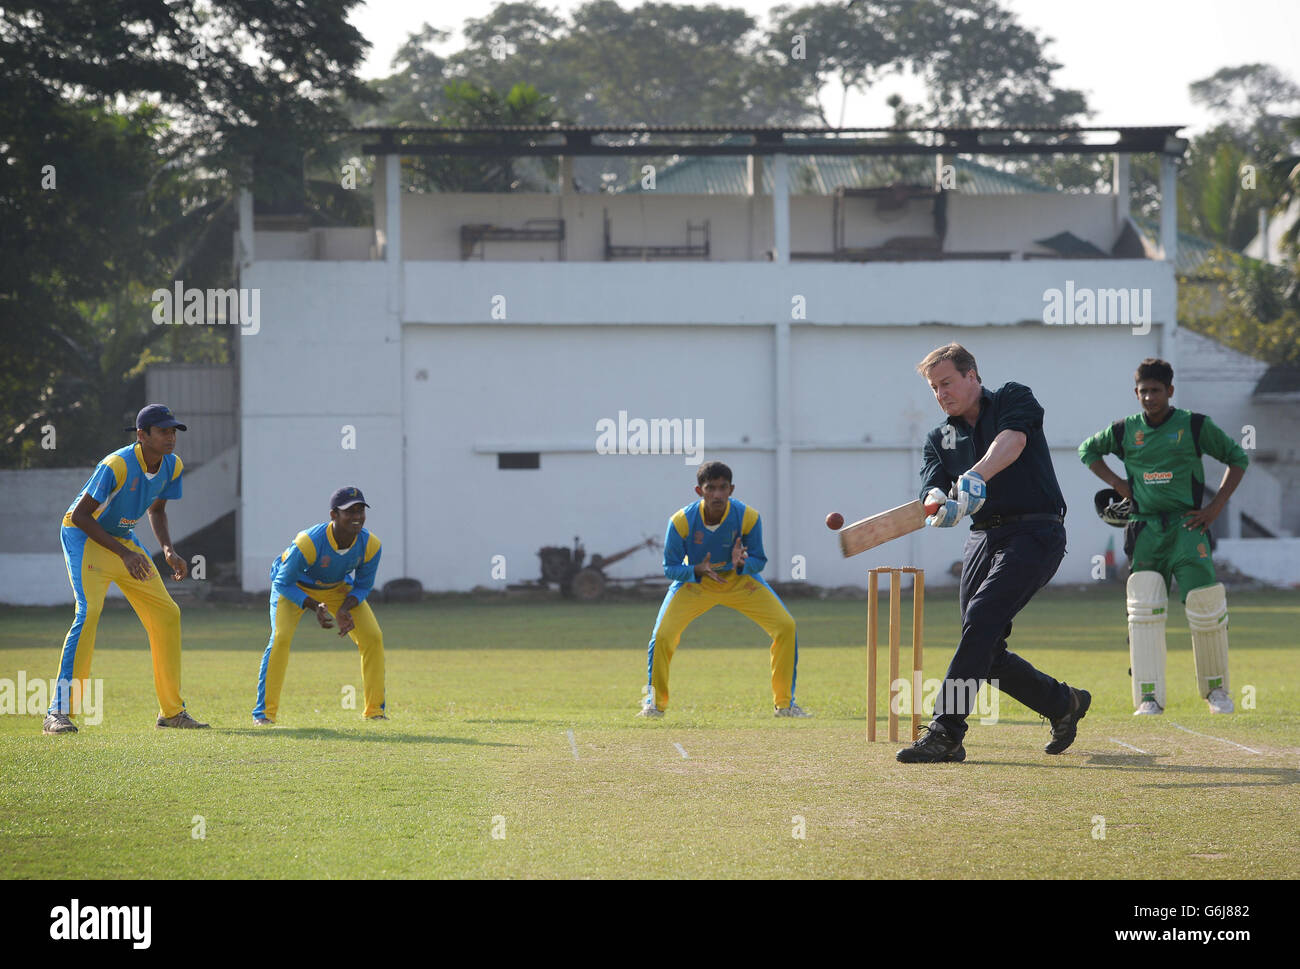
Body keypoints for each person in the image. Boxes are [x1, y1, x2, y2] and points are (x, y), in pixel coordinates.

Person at [900, 343, 1088, 763]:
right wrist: (936, 504)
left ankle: (946, 731)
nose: (941, 394)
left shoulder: (1012, 398)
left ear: (972, 376)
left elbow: (1013, 441)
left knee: (982, 620)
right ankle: (1063, 703)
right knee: (983, 642)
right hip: (983, 537)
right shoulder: (939, 437)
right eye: (934, 388)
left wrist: (975, 475)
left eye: (947, 383)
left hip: (1036, 530)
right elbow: (930, 485)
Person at [1080, 357, 1248, 715]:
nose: (1149, 398)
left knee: (1205, 607)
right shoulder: (1125, 430)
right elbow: (1087, 451)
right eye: (1143, 392)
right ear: (1135, 393)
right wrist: (1119, 485)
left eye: (1156, 391)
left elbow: (1237, 459)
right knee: (1144, 612)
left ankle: (1217, 692)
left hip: (1188, 527)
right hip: (1144, 529)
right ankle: (1148, 697)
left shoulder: (1195, 425)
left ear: (1170, 391)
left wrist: (1215, 507)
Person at [43, 404, 208, 734]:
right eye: (163, 431)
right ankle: (57, 713)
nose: (170, 437)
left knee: (167, 614)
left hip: (121, 540)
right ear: (142, 435)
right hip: (84, 537)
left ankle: (172, 713)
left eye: (173, 431)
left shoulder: (172, 466)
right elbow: (80, 516)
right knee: (88, 613)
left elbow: (157, 511)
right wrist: (124, 555)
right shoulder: (116, 465)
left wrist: (167, 550)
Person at [641, 461, 808, 718]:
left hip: (738, 582)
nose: (717, 495)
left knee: (786, 626)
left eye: (722, 488)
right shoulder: (681, 521)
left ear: (731, 489)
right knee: (662, 637)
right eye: (711, 488)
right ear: (699, 491)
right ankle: (654, 705)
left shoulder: (748, 517)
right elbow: (670, 568)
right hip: (696, 584)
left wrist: (741, 564)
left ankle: (785, 705)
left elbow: (759, 561)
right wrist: (696, 569)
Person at [253, 486, 386, 724]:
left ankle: (375, 711)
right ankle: (264, 715)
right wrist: (315, 606)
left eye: (360, 511)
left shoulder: (371, 545)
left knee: (372, 636)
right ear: (334, 515)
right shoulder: (309, 542)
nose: (357, 517)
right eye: (349, 511)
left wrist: (344, 608)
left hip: (335, 588)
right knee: (281, 638)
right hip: (294, 587)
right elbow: (283, 581)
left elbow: (363, 586)